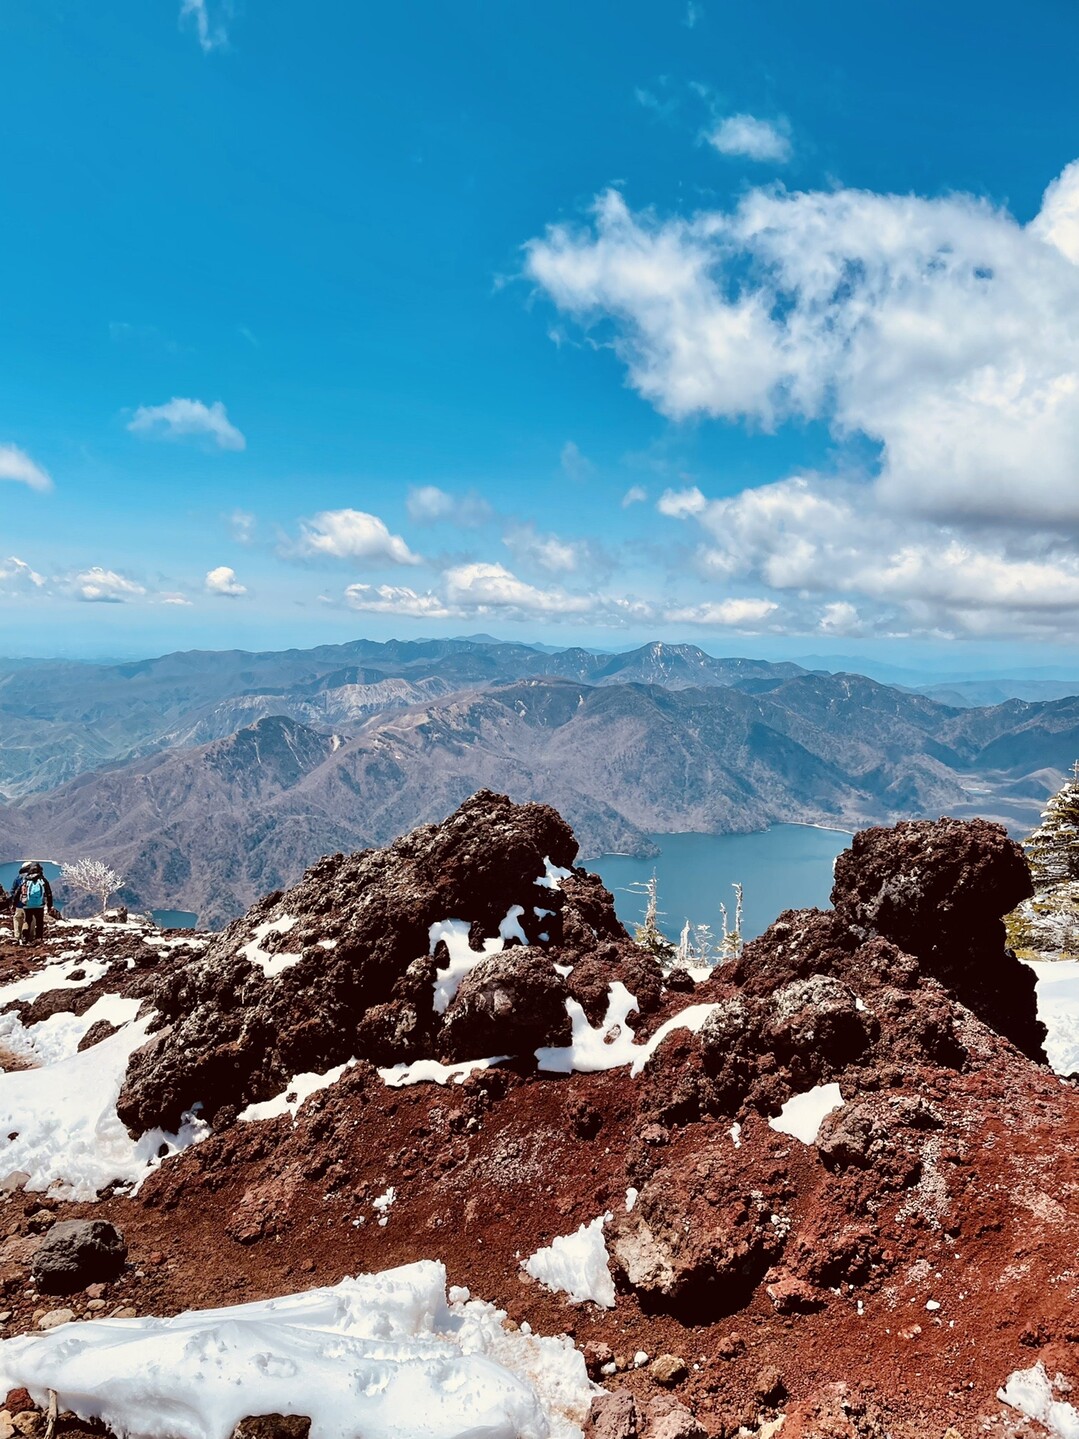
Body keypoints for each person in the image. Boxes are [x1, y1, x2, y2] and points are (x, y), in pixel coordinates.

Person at [10, 862, 53, 947]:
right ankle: (38, 938)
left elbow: (17, 892)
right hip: (39, 905)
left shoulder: (26, 879)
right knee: (39, 922)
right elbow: (49, 894)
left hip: (27, 905)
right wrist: (49, 906)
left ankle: (24, 938)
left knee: (27, 921)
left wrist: (14, 904)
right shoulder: (42, 880)